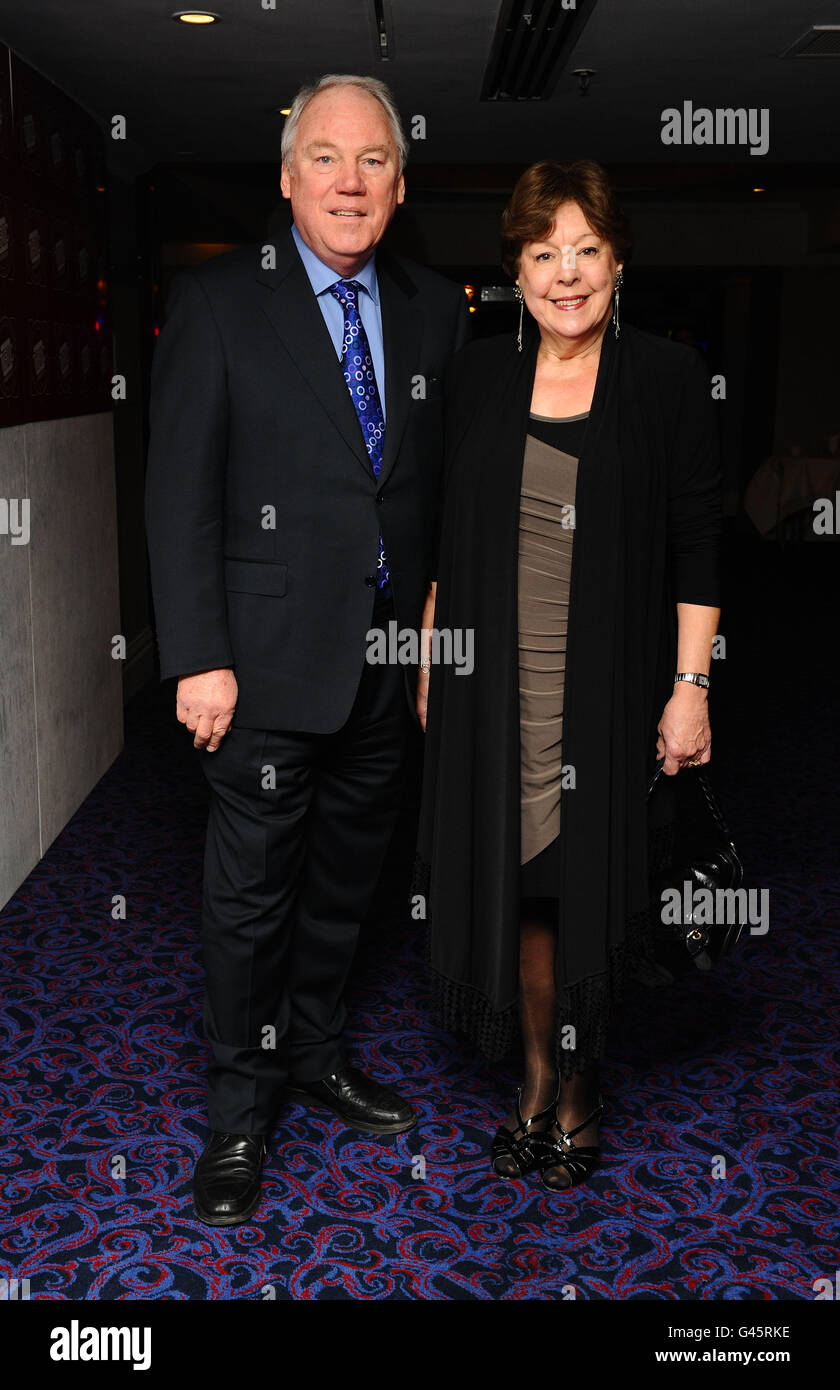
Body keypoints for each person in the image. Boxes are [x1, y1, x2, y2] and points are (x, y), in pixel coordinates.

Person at [145, 73, 468, 1226]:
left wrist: (434, 620)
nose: (348, 181)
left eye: (372, 160)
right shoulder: (223, 301)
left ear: (399, 179)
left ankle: (318, 1052)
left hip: (386, 668)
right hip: (261, 668)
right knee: (249, 902)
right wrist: (196, 655)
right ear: (287, 177)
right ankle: (239, 1112)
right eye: (324, 159)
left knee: (345, 887)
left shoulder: (435, 308)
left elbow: (429, 492)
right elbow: (179, 491)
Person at [415, 160, 722, 1192]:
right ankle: (538, 1081)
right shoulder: (476, 376)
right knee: (525, 892)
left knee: (586, 890)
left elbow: (698, 546)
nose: (567, 273)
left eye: (586, 249)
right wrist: (431, 655)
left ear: (620, 258)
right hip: (496, 690)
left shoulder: (667, 378)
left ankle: (584, 1093)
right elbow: (445, 541)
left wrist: (692, 685)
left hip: (604, 688)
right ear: (515, 269)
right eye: (544, 252)